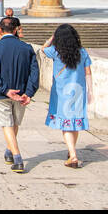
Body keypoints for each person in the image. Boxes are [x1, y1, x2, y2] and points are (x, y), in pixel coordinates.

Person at [0, 16, 40, 174]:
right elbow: (34, 73)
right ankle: (9, 151)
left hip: (1, 94)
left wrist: (6, 90)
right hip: (21, 92)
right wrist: (29, 92)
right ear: (16, 29)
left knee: (7, 124)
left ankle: (16, 157)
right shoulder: (27, 48)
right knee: (14, 123)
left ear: (0, 30)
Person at [42, 25, 94, 168]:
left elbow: (42, 49)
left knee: (66, 123)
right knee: (74, 122)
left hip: (61, 92)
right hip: (78, 91)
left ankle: (73, 155)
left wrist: (51, 38)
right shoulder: (82, 52)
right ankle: (72, 151)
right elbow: (88, 72)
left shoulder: (55, 51)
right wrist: (90, 91)